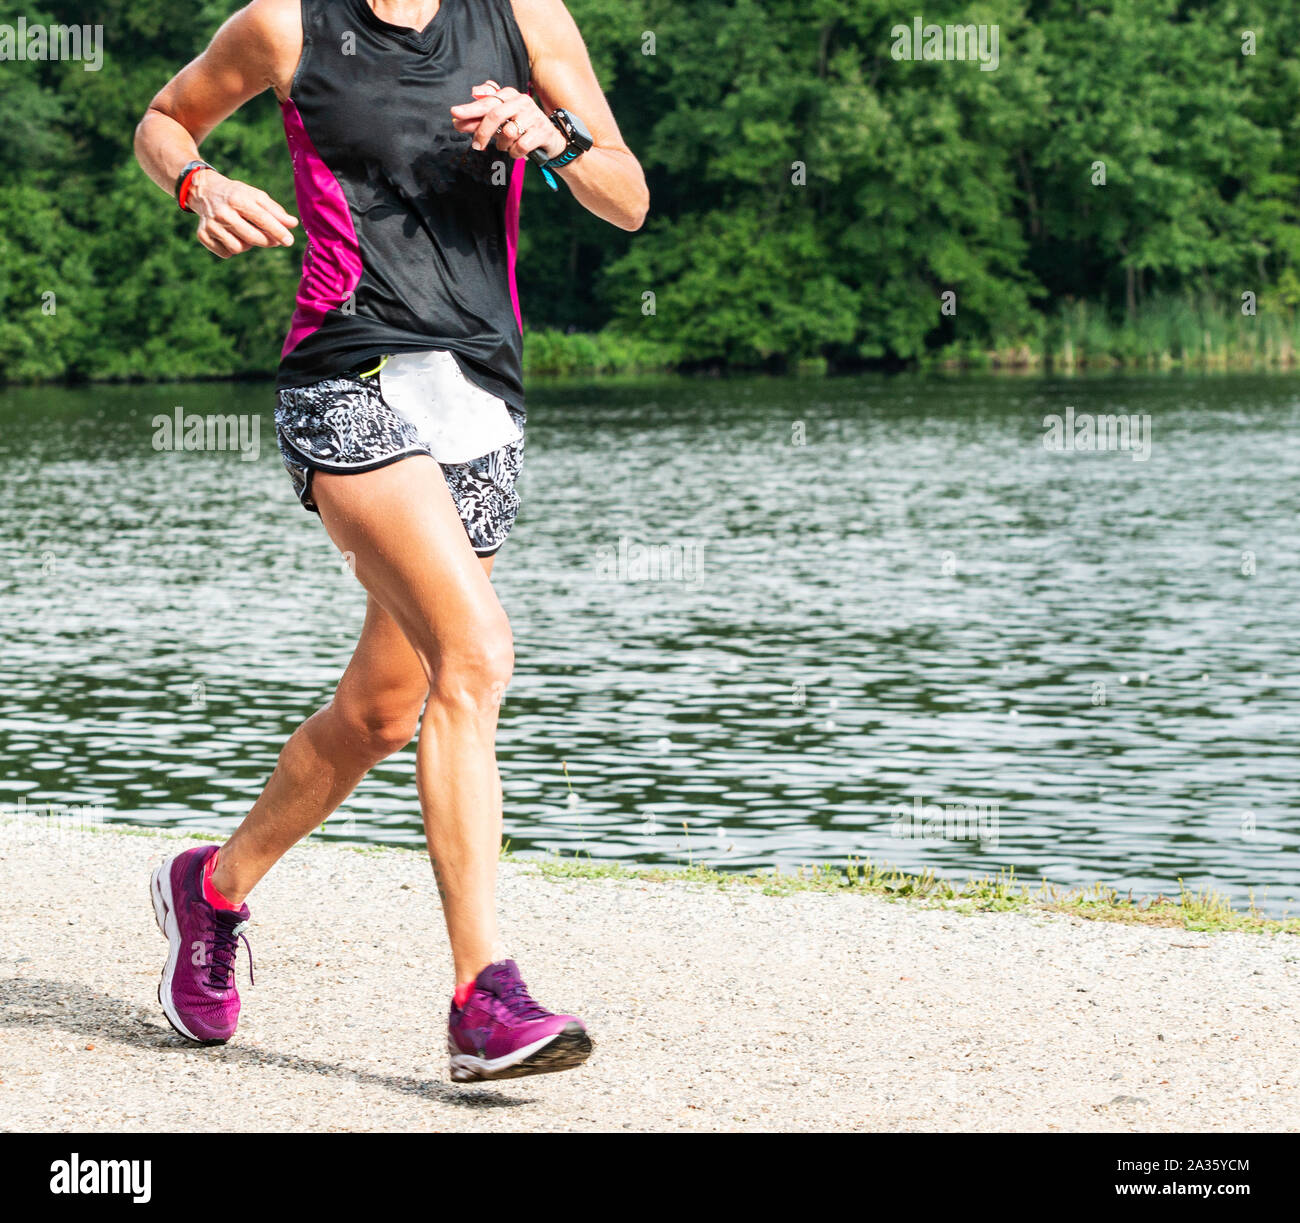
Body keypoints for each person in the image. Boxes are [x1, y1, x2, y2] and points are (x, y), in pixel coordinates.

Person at [133, 0, 648, 1081]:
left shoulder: (523, 18)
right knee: (474, 654)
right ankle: (481, 996)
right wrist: (202, 183)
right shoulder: (285, 24)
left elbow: (628, 200)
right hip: (345, 370)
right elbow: (165, 119)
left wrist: (550, 141)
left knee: (382, 708)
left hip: (482, 397)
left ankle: (211, 887)